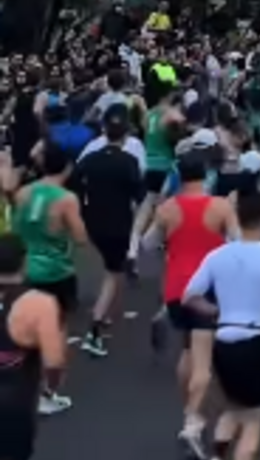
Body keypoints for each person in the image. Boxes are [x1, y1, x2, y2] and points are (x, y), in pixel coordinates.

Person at [182, 185, 260, 460]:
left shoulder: (217, 255)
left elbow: (189, 296)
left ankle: (217, 453)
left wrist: (215, 312)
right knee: (254, 418)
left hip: (223, 339)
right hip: (255, 339)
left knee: (233, 406)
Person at [140, 150, 239, 456]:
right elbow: (236, 244)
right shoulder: (220, 206)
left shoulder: (168, 208)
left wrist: (172, 244)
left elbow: (147, 244)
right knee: (203, 362)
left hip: (176, 289)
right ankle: (191, 424)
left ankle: (191, 408)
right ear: (206, 175)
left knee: (187, 349)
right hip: (208, 289)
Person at [11, 143, 87, 415]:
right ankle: (48, 392)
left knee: (23, 327)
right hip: (57, 272)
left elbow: (16, 228)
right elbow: (80, 238)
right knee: (57, 330)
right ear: (66, 167)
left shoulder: (22, 193)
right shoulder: (66, 199)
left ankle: (22, 381)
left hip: (26, 269)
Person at [71, 102, 146, 358]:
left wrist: (82, 207)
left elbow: (74, 183)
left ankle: (106, 316)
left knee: (110, 269)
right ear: (126, 133)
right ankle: (94, 327)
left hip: (93, 222)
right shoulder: (129, 161)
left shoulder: (90, 158)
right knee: (113, 274)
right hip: (119, 223)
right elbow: (139, 194)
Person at [0, 236, 69, 460]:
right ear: (24, 262)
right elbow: (54, 361)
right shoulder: (39, 304)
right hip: (13, 406)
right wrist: (50, 388)